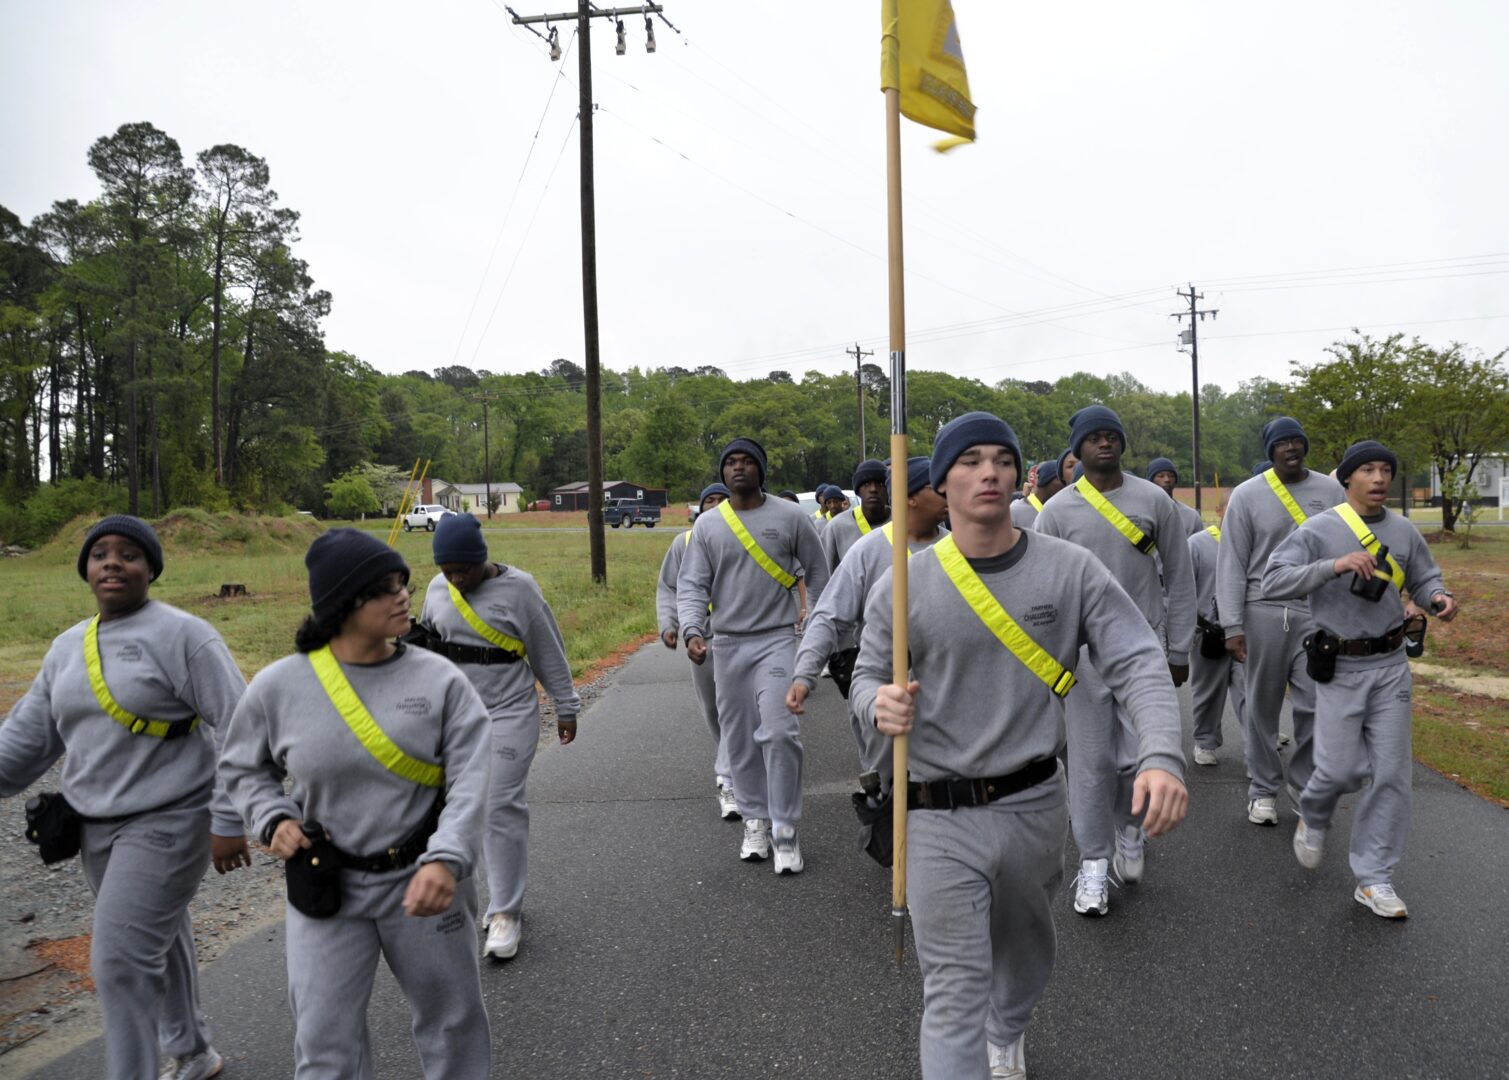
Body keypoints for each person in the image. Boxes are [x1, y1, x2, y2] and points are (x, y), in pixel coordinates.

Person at [850, 411, 1187, 1080]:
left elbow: (1137, 661)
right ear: (941, 482)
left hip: (1032, 801)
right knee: (952, 989)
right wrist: (874, 702)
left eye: (1000, 459)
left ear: (1016, 474)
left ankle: (1008, 1029)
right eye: (968, 461)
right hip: (932, 810)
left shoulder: (1070, 570)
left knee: (1026, 954)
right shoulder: (904, 582)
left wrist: (1158, 755)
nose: (988, 472)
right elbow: (865, 675)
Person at [220, 529, 492, 1079]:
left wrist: (448, 856)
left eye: (402, 584)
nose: (402, 596)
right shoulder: (279, 686)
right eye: (382, 589)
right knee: (323, 1041)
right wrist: (271, 818)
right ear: (342, 604)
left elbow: (472, 775)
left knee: (452, 1024)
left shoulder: (439, 680)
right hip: (326, 886)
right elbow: (242, 767)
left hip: (424, 880)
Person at [0, 516, 248, 1080]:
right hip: (94, 828)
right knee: (160, 933)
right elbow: (21, 745)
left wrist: (230, 817)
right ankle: (193, 1051)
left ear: (151, 569)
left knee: (119, 960)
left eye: (130, 554)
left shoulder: (185, 636)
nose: (113, 562)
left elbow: (242, 724)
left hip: (171, 819)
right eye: (100, 554)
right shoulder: (67, 649)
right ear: (85, 569)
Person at [1263, 440, 1457, 918]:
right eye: (1367, 470)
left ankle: (1374, 879)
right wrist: (1334, 565)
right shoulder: (1321, 529)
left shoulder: (1404, 529)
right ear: (1347, 479)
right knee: (1339, 770)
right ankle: (1314, 812)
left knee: (1391, 775)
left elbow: (1425, 577)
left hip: (1390, 666)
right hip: (1340, 669)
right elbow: (1273, 580)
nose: (1378, 478)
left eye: (1385, 470)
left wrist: (1438, 598)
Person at [1034, 405, 1195, 916]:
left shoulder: (1153, 501)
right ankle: (1094, 864)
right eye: (1093, 438)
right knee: (1088, 763)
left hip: (1142, 648)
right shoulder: (1057, 511)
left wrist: (1179, 647)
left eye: (1111, 436)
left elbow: (1181, 576)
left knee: (1134, 757)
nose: (1104, 444)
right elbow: (1043, 588)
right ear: (1077, 449)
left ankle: (1130, 830)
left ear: (1122, 444)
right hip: (1080, 658)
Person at [415, 513, 581, 961]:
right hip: (456, 718)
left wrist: (566, 706)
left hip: (510, 712)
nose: (455, 579)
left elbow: (548, 649)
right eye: (447, 571)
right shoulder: (437, 590)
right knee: (457, 809)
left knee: (499, 804)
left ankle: (506, 911)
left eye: (462, 570)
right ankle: (478, 900)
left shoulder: (520, 589)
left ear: (481, 559)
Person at [677, 437, 829, 873]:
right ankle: (755, 820)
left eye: (747, 462)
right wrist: (691, 630)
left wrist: (816, 623)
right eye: (731, 463)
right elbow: (691, 586)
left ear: (762, 470)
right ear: (722, 473)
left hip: (778, 639)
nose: (738, 469)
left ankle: (785, 828)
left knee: (780, 733)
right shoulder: (708, 526)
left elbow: (819, 575)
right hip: (727, 645)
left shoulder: (790, 517)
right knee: (739, 739)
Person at [787, 457, 947, 795]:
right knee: (892, 788)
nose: (950, 490)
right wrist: (805, 673)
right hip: (884, 686)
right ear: (909, 496)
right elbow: (828, 613)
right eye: (937, 485)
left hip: (947, 690)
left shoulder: (959, 546)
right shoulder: (868, 551)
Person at [1216, 417, 1344, 827]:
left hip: (1317, 612)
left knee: (1315, 707)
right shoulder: (1248, 495)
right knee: (1261, 707)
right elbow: (1232, 561)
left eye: (1296, 441)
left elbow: (1346, 545)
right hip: (1263, 609)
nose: (1291, 448)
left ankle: (1304, 786)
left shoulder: (1330, 490)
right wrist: (1232, 624)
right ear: (1270, 451)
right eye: (1282, 443)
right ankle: (1262, 790)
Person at [658, 483, 738, 820]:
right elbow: (668, 587)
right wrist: (669, 624)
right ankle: (730, 768)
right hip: (700, 635)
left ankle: (731, 781)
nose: (715, 505)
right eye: (709, 501)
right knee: (713, 709)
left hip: (739, 633)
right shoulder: (684, 543)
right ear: (699, 508)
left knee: (739, 707)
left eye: (722, 500)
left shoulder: (741, 536)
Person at [1188, 503, 1245, 767]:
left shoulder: (1249, 542)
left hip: (1246, 632)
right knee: (1208, 692)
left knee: (1249, 691)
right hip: (1208, 632)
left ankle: (1256, 745)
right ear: (1220, 511)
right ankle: (1205, 741)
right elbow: (1183, 589)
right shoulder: (1197, 544)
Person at [821, 459, 891, 570]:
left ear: (888, 488)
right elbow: (823, 575)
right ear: (858, 490)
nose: (873, 489)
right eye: (867, 484)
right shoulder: (836, 527)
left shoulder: (903, 523)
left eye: (880, 484)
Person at [1146, 457, 1204, 537]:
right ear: (1151, 480)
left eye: (1171, 476)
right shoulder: (1143, 512)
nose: (1167, 479)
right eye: (1161, 476)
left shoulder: (1191, 516)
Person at [1011, 454, 1066, 531]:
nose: (1066, 484)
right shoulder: (1014, 512)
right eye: (1060, 479)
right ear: (1045, 480)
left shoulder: (1061, 513)